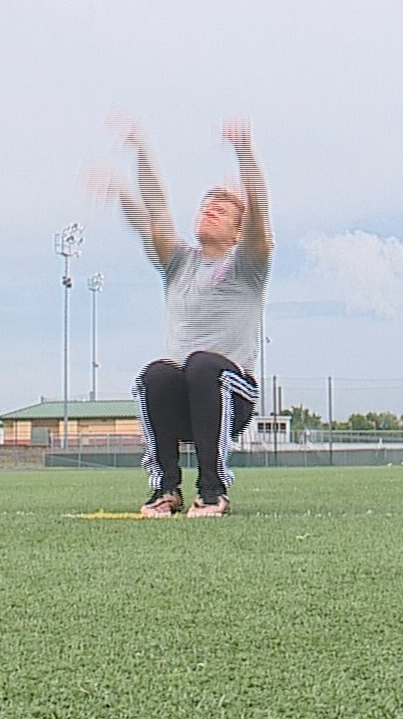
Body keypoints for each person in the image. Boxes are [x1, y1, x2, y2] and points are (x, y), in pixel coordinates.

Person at [103, 118, 271, 517]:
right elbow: (155, 211)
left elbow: (260, 209)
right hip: (184, 401)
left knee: (201, 364)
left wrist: (243, 150)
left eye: (223, 209)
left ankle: (213, 491)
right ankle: (166, 489)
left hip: (231, 397)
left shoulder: (246, 263)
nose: (210, 210)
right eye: (206, 205)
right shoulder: (180, 263)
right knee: (157, 374)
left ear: (238, 230)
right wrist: (140, 149)